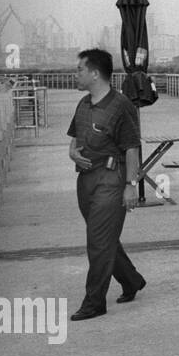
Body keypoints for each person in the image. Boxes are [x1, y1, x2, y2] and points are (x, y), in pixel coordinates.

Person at [66, 48, 147, 321]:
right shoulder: (84, 104)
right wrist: (72, 152)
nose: (75, 74)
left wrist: (131, 185)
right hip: (86, 181)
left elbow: (132, 148)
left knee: (98, 243)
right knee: (105, 239)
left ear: (94, 73)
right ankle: (131, 280)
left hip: (111, 180)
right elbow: (75, 136)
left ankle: (94, 302)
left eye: (79, 69)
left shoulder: (120, 105)